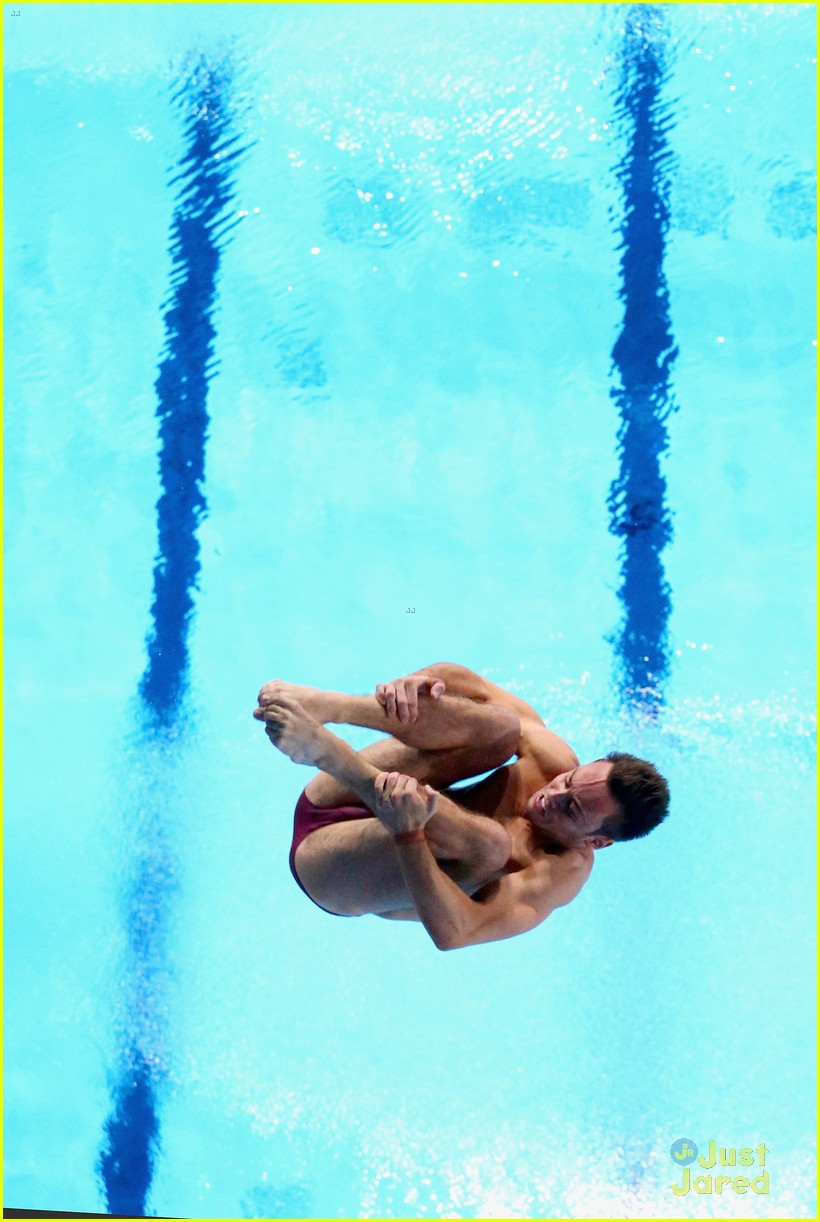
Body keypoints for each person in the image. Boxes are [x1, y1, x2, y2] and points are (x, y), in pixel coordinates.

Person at [253, 663, 669, 950]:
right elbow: (471, 684)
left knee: (491, 846)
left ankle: (327, 752)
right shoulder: (554, 760)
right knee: (501, 727)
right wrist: (416, 684)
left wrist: (410, 834)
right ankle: (332, 708)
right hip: (336, 796)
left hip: (336, 871)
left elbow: (458, 932)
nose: (552, 794)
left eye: (573, 808)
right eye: (570, 781)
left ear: (597, 841)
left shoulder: (558, 874)